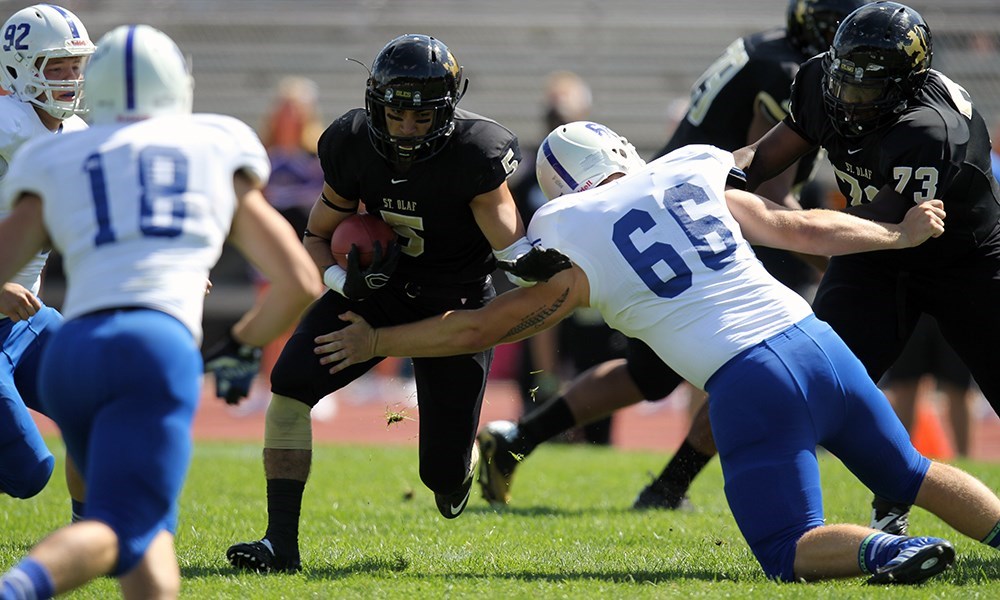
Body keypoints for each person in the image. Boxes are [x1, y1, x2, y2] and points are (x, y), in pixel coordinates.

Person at [314, 120, 1000, 585]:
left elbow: (478, 329)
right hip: (819, 342)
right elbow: (794, 226)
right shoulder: (689, 170)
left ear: (560, 188)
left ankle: (890, 549)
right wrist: (896, 238)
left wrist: (379, 340)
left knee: (787, 548)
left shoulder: (567, 229)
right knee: (910, 471)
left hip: (748, 379)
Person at [473, 0, 871, 510]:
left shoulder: (767, 48)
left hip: (676, 204)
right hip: (711, 214)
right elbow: (768, 184)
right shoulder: (787, 71)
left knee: (652, 372)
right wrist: (834, 258)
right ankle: (669, 487)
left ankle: (519, 441)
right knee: (745, 357)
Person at [0, 24, 321, 599]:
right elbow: (299, 280)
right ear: (180, 87)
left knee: (147, 535)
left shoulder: (56, 153)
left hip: (71, 349)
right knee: (125, 527)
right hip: (152, 346)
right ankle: (19, 589)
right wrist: (244, 344)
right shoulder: (214, 144)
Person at [225, 33, 528, 573]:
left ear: (448, 111)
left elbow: (513, 252)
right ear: (375, 106)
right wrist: (346, 282)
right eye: (396, 116)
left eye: (422, 118)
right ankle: (279, 544)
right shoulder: (350, 143)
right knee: (291, 383)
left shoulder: (475, 155)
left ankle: (474, 456)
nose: (408, 130)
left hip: (453, 308)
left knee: (443, 479)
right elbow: (315, 237)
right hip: (379, 295)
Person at [731, 0, 1000, 537]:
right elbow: (761, 159)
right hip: (880, 257)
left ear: (905, 84)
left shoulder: (931, 128)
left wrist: (781, 223)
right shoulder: (819, 80)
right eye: (844, 82)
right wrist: (706, 179)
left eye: (866, 89)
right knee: (818, 386)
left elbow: (868, 227)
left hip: (961, 258)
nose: (849, 99)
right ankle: (876, 504)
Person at [0, 3, 93, 519]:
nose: (69, 78)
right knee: (29, 471)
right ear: (18, 68)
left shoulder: (76, 134)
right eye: (55, 66)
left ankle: (91, 535)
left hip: (21, 323)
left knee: (96, 404)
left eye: (75, 66)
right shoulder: (5, 124)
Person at [882, 314, 975, 457]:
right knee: (905, 387)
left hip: (953, 304)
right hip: (910, 306)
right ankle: (900, 456)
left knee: (958, 388)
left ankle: (965, 459)